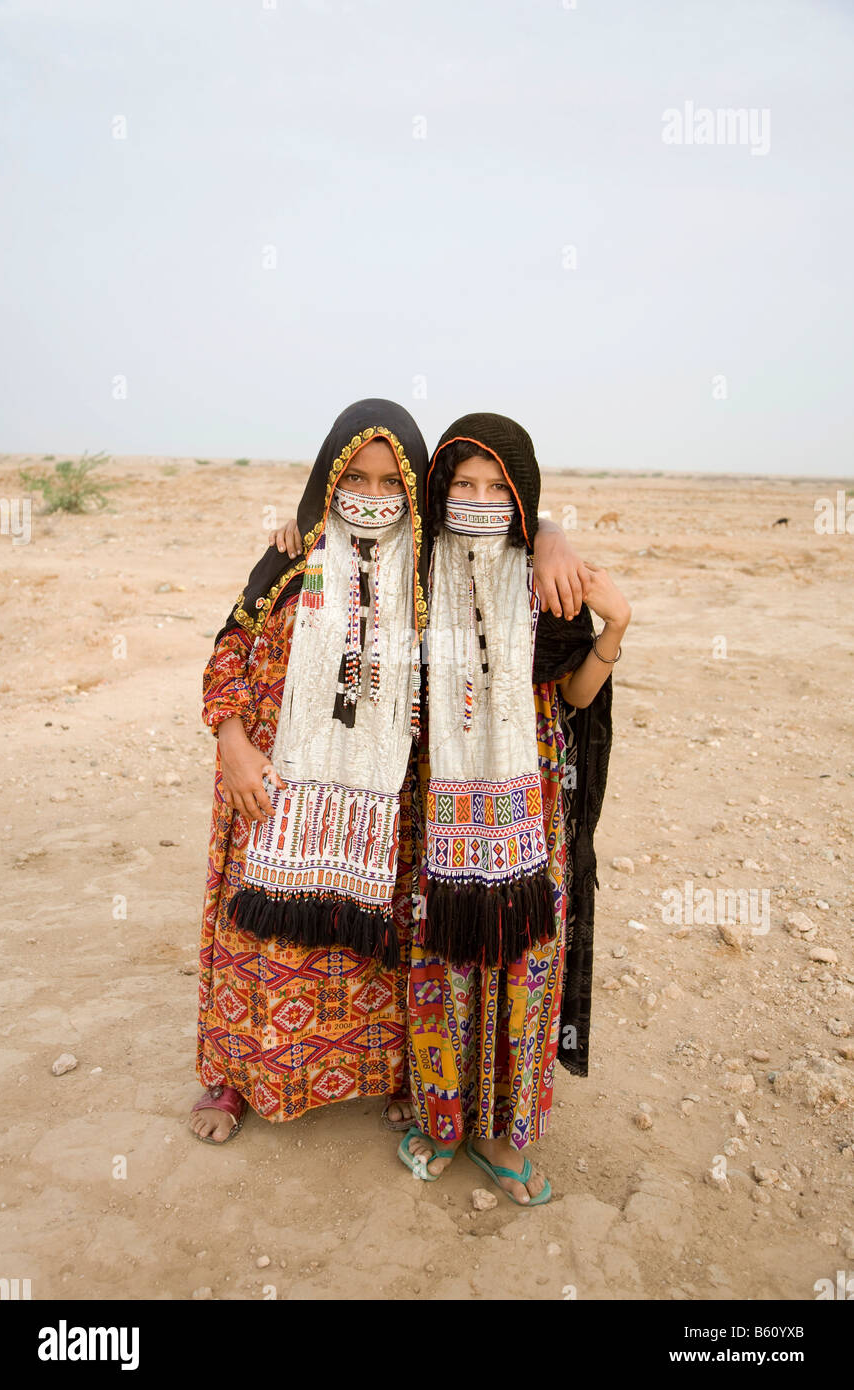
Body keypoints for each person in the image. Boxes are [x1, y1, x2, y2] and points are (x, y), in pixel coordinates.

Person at [398, 412, 628, 1204]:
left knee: (520, 976)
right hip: (439, 817)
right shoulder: (414, 571)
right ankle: (440, 1119)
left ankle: (500, 1134)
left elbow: (570, 696)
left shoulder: (542, 578)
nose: (480, 499)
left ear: (522, 494)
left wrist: (615, 629)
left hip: (530, 819)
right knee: (441, 972)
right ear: (439, 488)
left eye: (499, 486)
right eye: (464, 483)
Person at [189, 399, 429, 1142]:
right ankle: (236, 1078)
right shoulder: (294, 556)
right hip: (271, 783)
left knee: (379, 942)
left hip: (381, 798)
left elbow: (523, 520)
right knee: (258, 942)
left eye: (394, 482)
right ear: (328, 475)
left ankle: (387, 1075)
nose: (374, 495)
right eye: (356, 476)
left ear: (417, 487)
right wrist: (232, 743)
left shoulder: (432, 571)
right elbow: (227, 649)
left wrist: (550, 536)